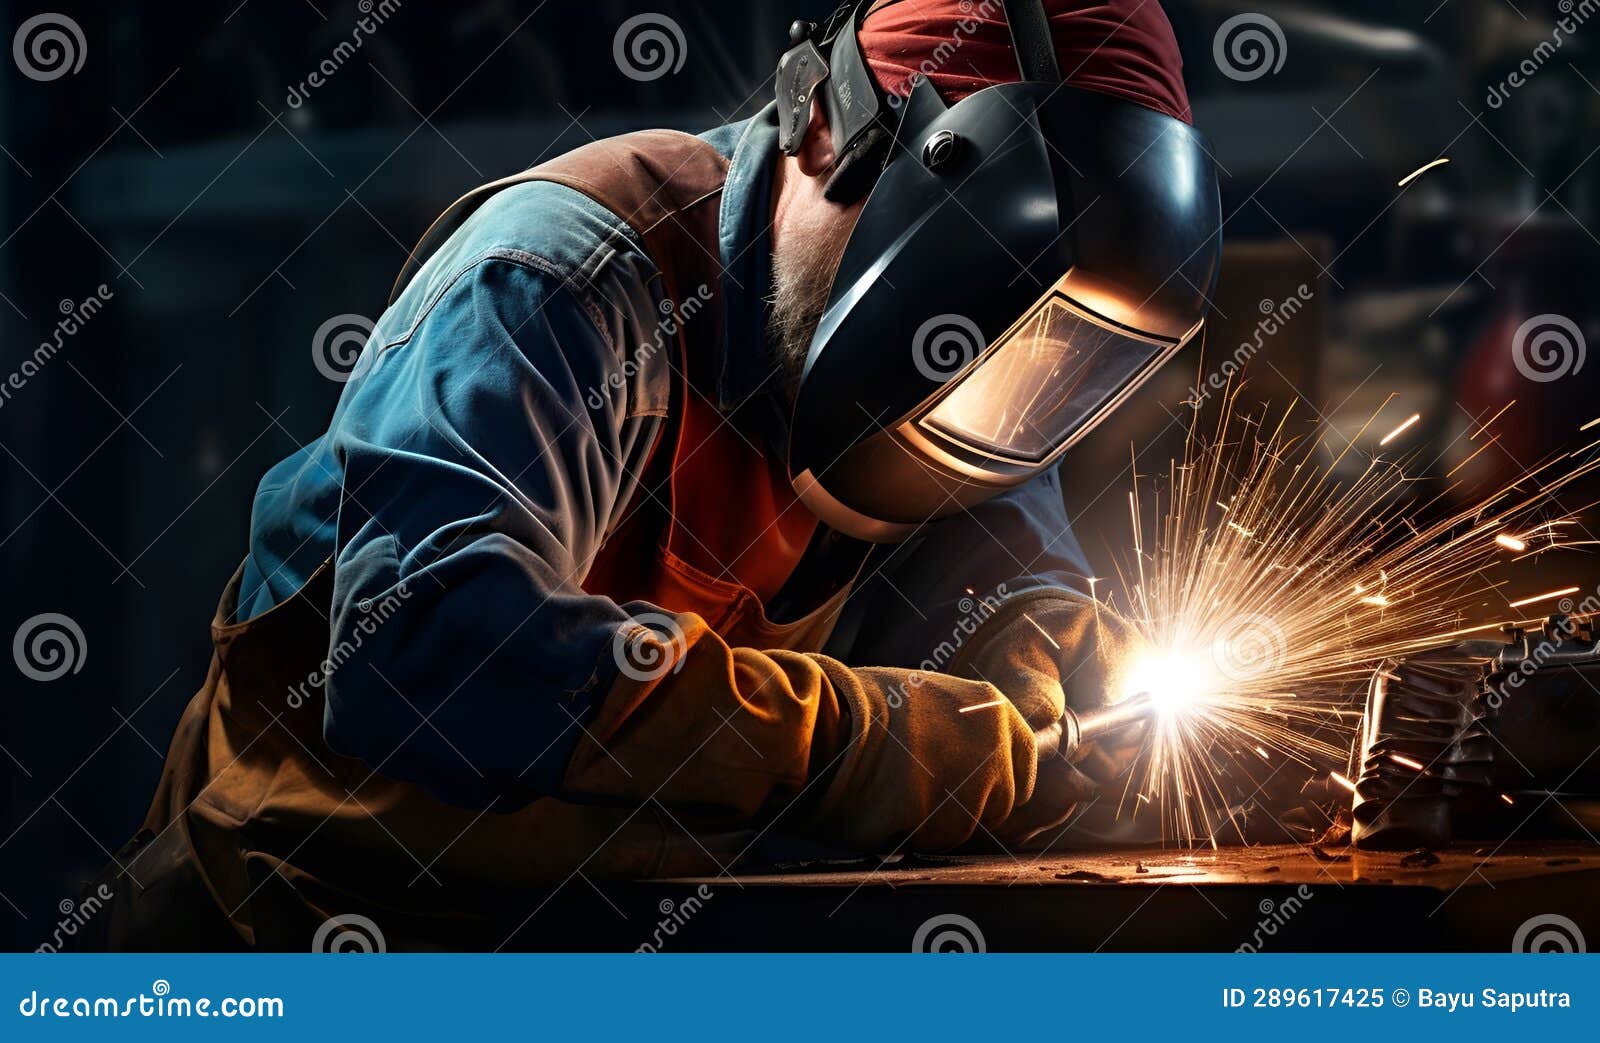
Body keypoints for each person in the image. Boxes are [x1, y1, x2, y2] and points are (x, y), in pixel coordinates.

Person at [89, 0, 1219, 950]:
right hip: (306, 935)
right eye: (956, 311)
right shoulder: (559, 283)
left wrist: (1045, 649)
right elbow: (426, 651)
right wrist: (859, 739)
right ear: (825, 132)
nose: (965, 377)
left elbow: (1005, 583)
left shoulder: (977, 358)